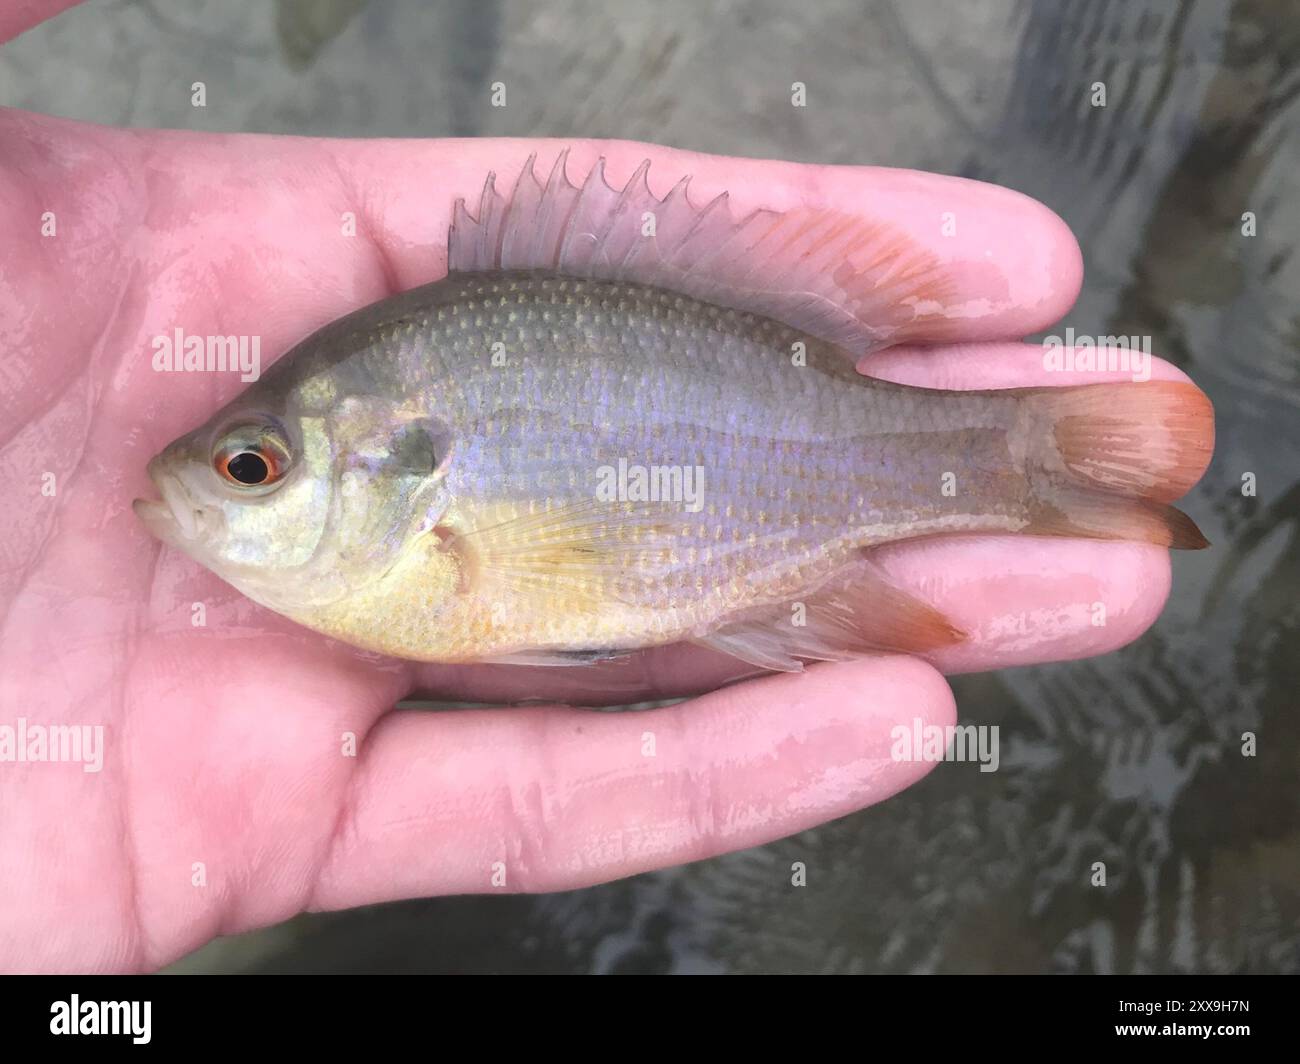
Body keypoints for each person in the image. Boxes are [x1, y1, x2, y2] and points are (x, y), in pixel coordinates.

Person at [0, 1, 1198, 972]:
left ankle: (1029, 458)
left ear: (402, 475)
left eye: (254, 467)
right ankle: (1041, 469)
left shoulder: (402, 560)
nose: (212, 491)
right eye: (247, 467)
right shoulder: (387, 550)